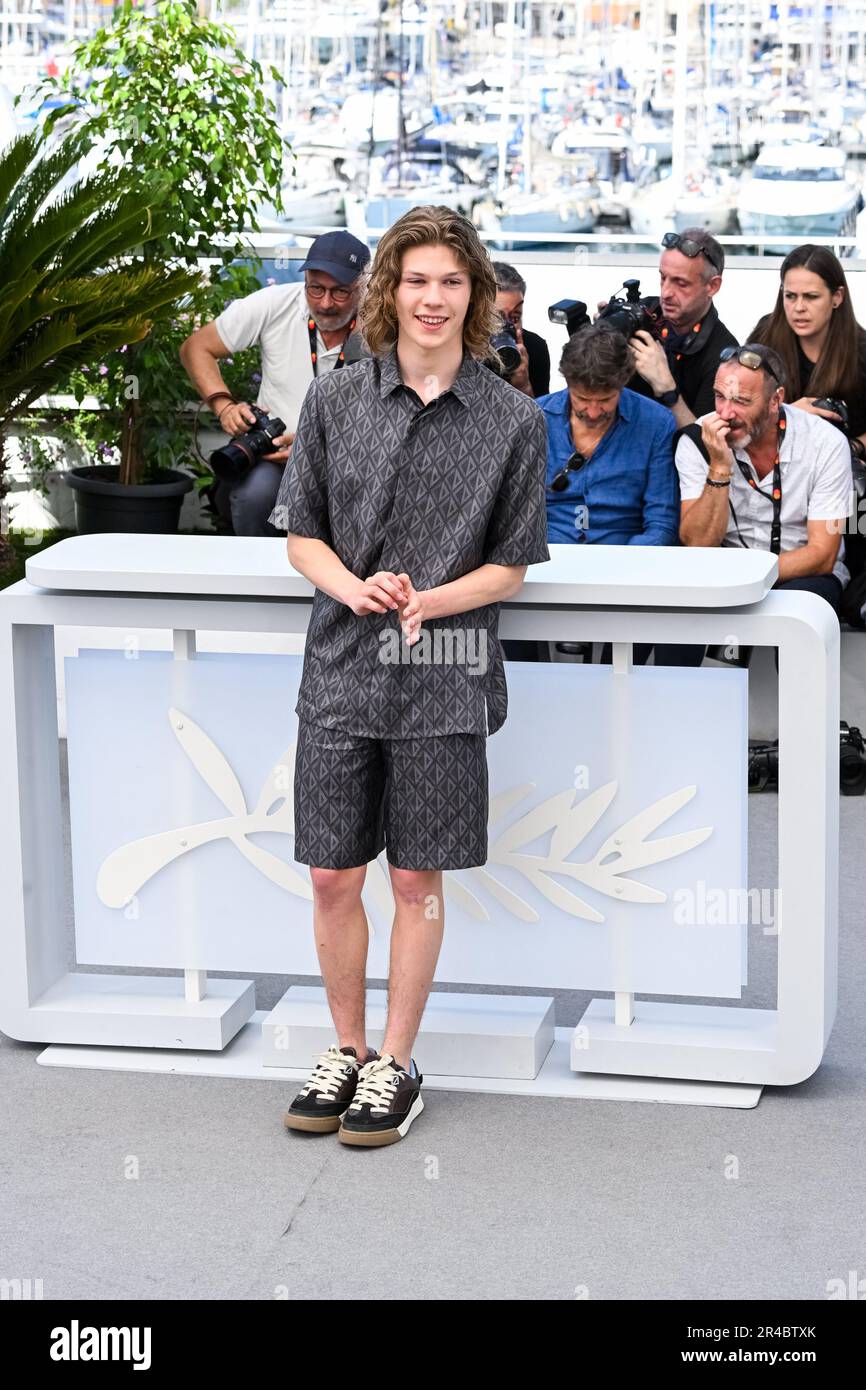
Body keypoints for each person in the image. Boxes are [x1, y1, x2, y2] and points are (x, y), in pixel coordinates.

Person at [269, 206, 549, 1146]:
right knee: (332, 877)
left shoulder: (511, 420)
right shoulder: (337, 397)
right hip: (343, 664)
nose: (433, 298)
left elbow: (512, 562)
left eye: (452, 282)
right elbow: (301, 533)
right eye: (417, 280)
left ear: (475, 297)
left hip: (448, 665)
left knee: (417, 878)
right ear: (390, 289)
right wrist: (355, 588)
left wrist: (431, 599)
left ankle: (396, 1062)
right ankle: (344, 1052)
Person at [502, 322, 680, 664]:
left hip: (627, 571)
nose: (593, 411)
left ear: (623, 384)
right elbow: (514, 513)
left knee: (634, 644)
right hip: (545, 567)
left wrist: (621, 568)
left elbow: (660, 522)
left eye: (606, 400)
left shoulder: (656, 423)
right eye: (583, 399)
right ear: (567, 383)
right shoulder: (534, 417)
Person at [179, 230, 370, 535]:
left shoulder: (383, 324)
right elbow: (196, 348)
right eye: (316, 289)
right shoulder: (276, 303)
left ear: (363, 286)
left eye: (341, 292)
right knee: (254, 495)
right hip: (275, 456)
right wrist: (224, 406)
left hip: (353, 458)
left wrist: (321, 450)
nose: (325, 303)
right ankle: (252, 582)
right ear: (305, 279)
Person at [676, 343, 853, 621]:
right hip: (721, 576)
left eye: (741, 401)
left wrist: (748, 576)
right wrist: (719, 468)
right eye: (719, 397)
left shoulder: (825, 443)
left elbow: (822, 555)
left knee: (800, 617)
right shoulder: (697, 441)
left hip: (801, 574)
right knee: (675, 623)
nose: (725, 413)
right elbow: (699, 546)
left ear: (776, 399)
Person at [748, 244, 866, 590]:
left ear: (837, 297)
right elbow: (739, 402)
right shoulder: (765, 337)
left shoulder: (860, 352)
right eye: (790, 296)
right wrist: (788, 413)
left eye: (811, 297)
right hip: (774, 475)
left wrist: (853, 450)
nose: (798, 308)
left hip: (846, 487)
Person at [623, 228, 738, 427]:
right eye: (663, 278)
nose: (666, 293)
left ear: (712, 286)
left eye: (681, 283)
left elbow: (705, 447)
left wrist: (667, 388)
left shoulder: (723, 355)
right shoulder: (642, 314)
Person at [492, 260, 551, 398]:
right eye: (497, 318)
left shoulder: (534, 347)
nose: (506, 327)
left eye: (515, 317)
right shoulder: (457, 346)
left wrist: (523, 385)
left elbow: (541, 415)